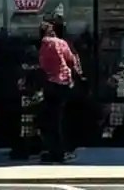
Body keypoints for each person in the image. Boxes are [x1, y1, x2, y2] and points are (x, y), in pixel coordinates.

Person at [37, 21, 82, 164]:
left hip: (51, 84)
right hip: (64, 84)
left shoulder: (44, 44)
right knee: (59, 118)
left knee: (50, 119)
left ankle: (55, 151)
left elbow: (43, 64)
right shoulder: (62, 43)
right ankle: (61, 150)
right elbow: (72, 60)